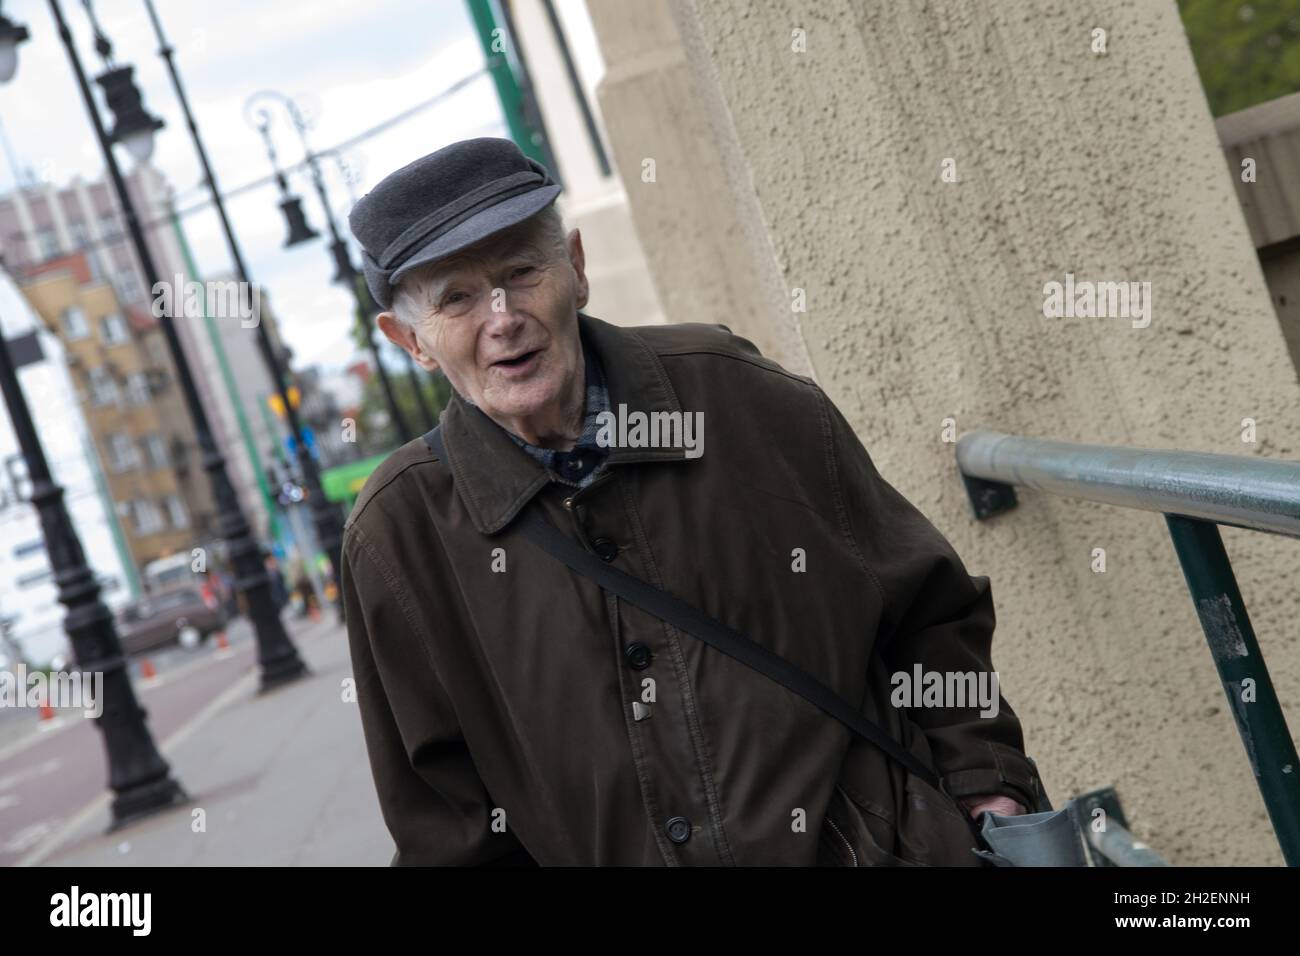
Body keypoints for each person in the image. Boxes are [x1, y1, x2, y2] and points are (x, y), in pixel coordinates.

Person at [341, 138, 1043, 866]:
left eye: (521, 272)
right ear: (410, 341)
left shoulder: (735, 396)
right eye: (455, 297)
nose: (503, 317)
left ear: (575, 270)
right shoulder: (399, 537)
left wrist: (987, 788)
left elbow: (928, 612)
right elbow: (444, 826)